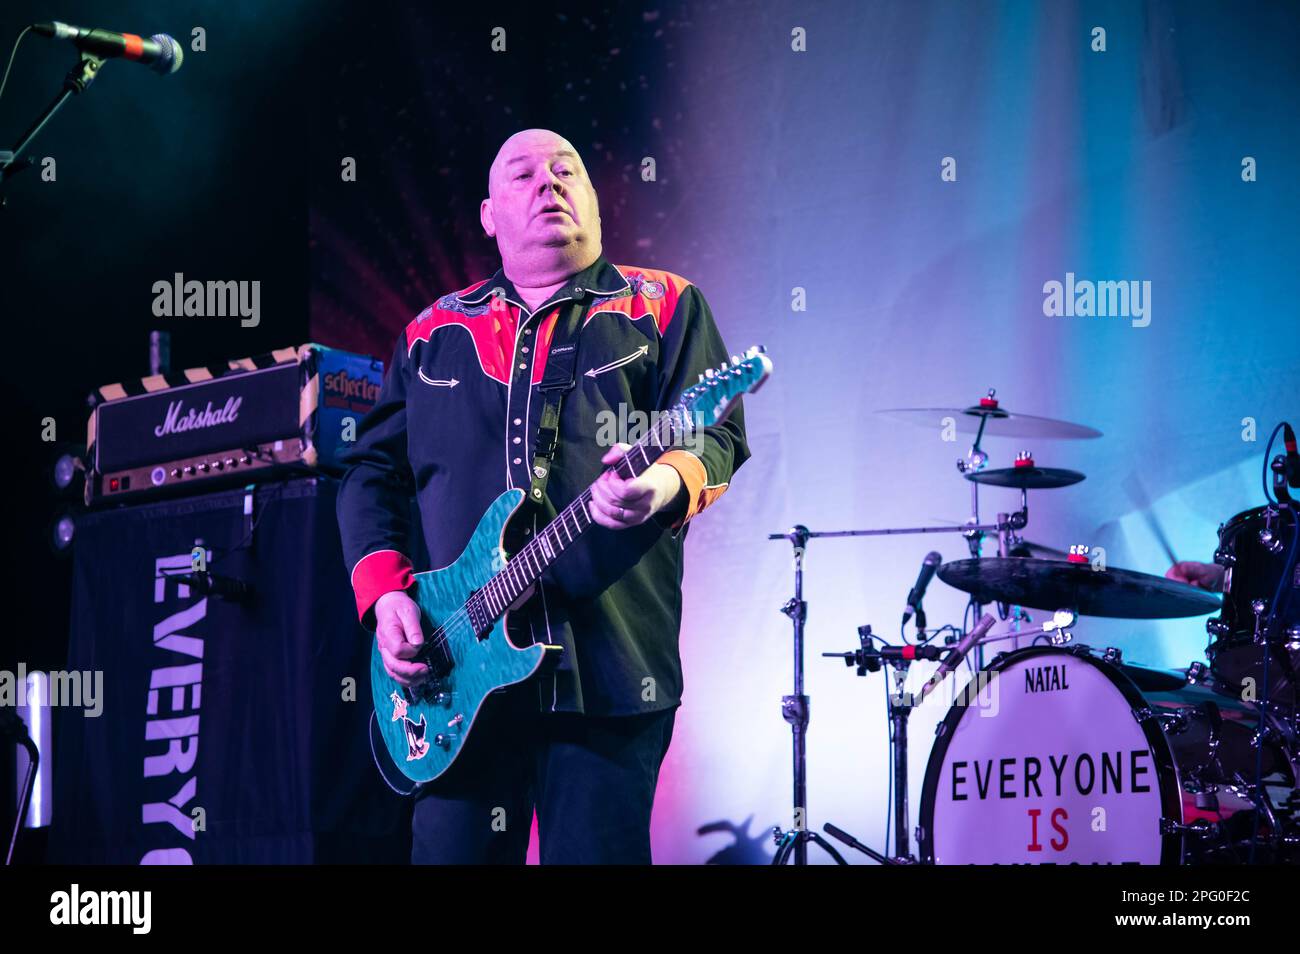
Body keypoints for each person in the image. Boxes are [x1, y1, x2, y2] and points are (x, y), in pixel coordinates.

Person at [337, 129, 750, 863]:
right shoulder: (432, 333)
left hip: (611, 673)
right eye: (523, 175)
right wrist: (386, 596)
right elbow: (371, 472)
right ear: (491, 214)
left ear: (593, 197)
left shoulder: (666, 305)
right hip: (452, 674)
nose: (548, 184)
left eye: (568, 171)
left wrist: (660, 484)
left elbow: (719, 438)